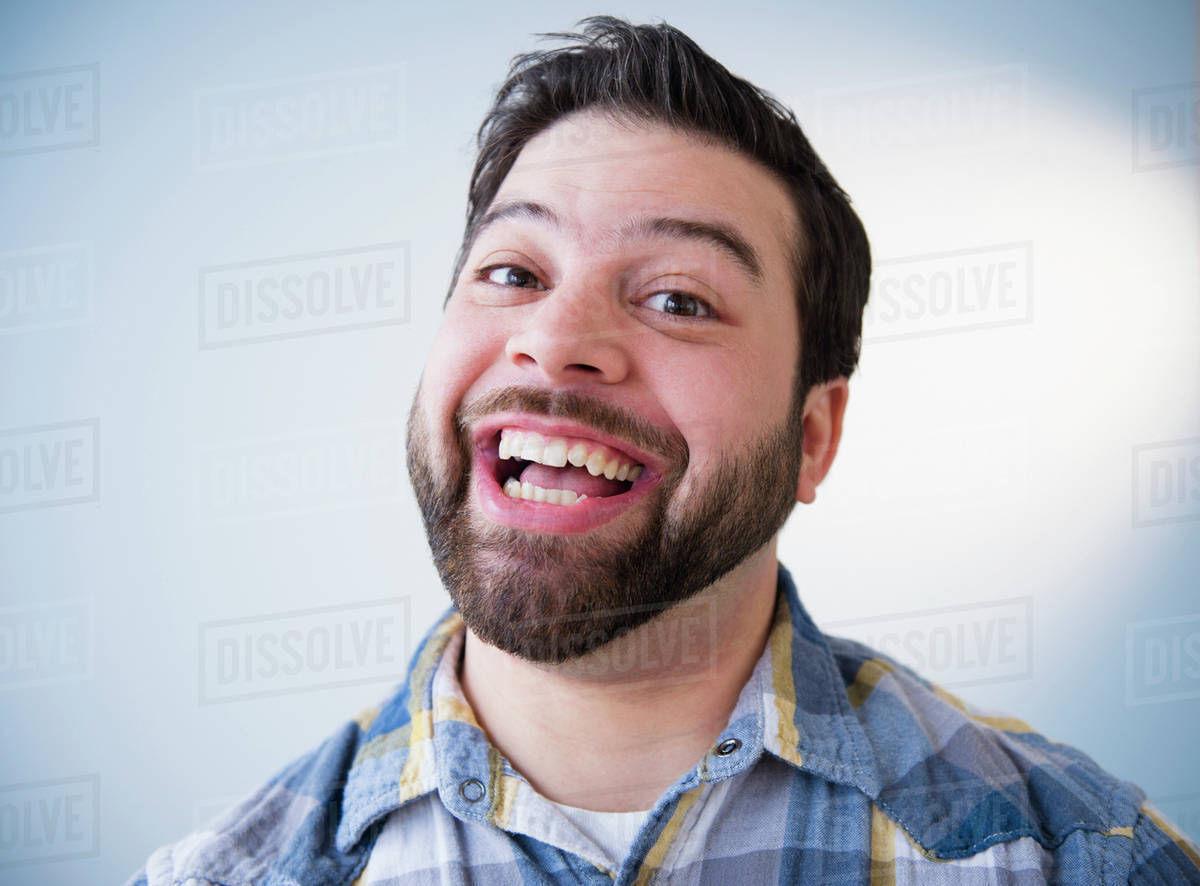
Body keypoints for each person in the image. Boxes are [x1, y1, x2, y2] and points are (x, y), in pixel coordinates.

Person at [128, 16, 1200, 885]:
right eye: (513, 271)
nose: (554, 339)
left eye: (680, 297)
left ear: (811, 437)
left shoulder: (1082, 860)